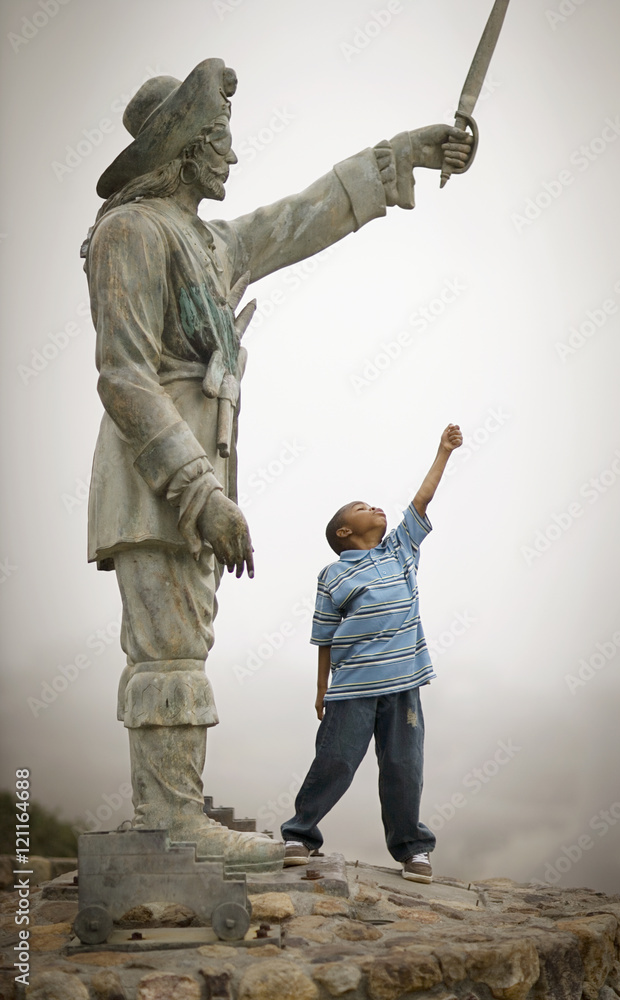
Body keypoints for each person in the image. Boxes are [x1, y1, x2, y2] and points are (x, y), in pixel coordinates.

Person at [84, 56, 473, 872]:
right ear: (184, 147)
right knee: (165, 652)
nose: (230, 154)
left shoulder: (210, 242)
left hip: (194, 480)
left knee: (182, 643)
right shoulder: (131, 231)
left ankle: (175, 813)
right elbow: (122, 375)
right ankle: (169, 827)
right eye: (218, 139)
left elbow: (309, 212)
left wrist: (407, 153)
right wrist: (198, 491)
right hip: (157, 481)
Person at [281, 424, 463, 882]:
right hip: (352, 689)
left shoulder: (399, 551)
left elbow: (421, 501)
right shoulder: (333, 575)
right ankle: (300, 835)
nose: (376, 507)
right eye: (363, 508)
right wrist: (322, 687)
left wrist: (442, 452)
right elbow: (323, 636)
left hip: (403, 686)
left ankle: (412, 849)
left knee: (404, 766)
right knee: (336, 761)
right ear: (344, 530)